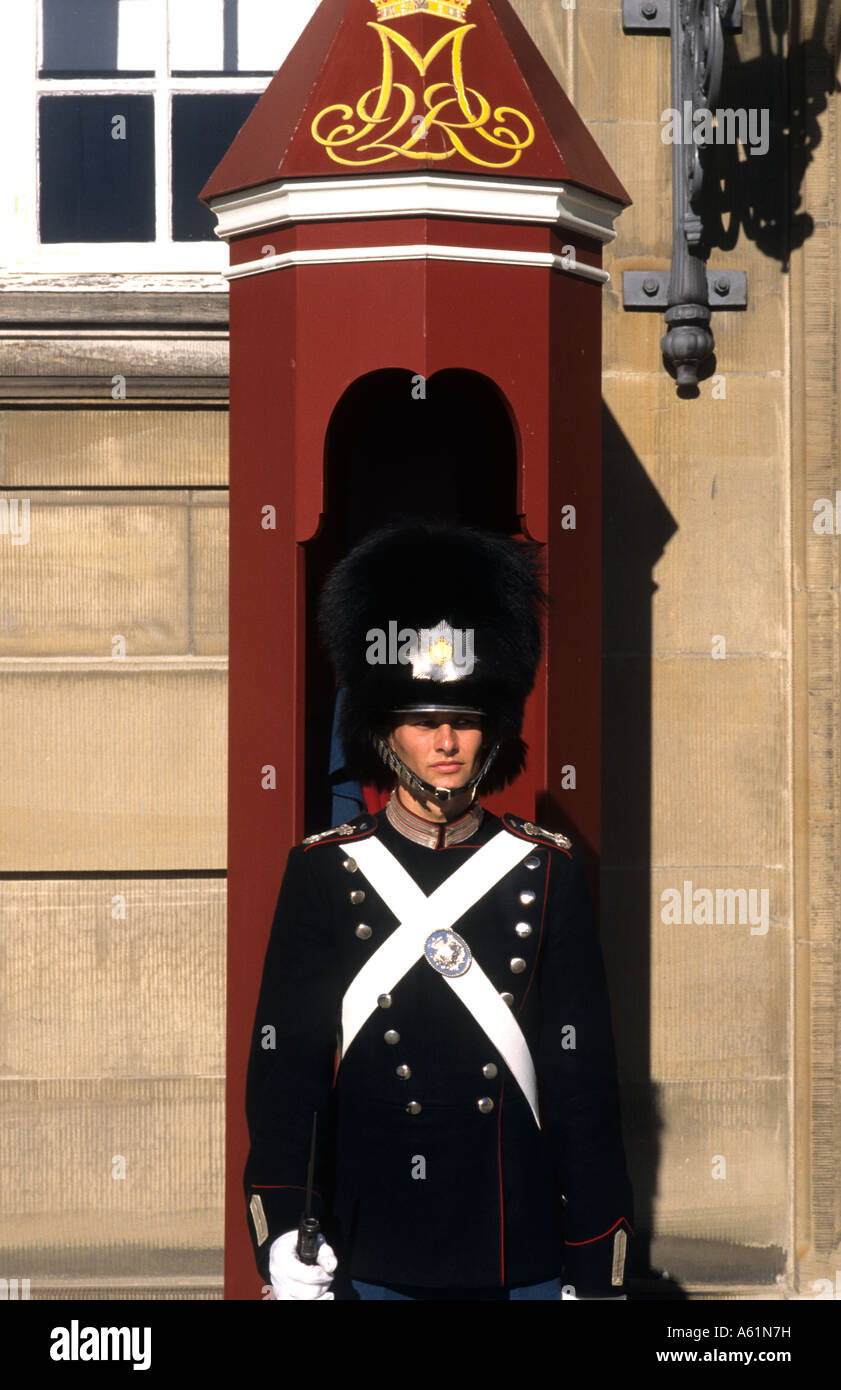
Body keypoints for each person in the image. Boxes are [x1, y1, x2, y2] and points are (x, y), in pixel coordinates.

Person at [244, 520, 633, 1300]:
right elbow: (287, 1072)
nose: (447, 741)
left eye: (463, 721)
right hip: (372, 1240)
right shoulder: (326, 869)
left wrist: (595, 1259)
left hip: (514, 1246)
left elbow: (582, 1084)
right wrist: (284, 1224)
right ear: (387, 735)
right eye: (423, 723)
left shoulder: (544, 869)